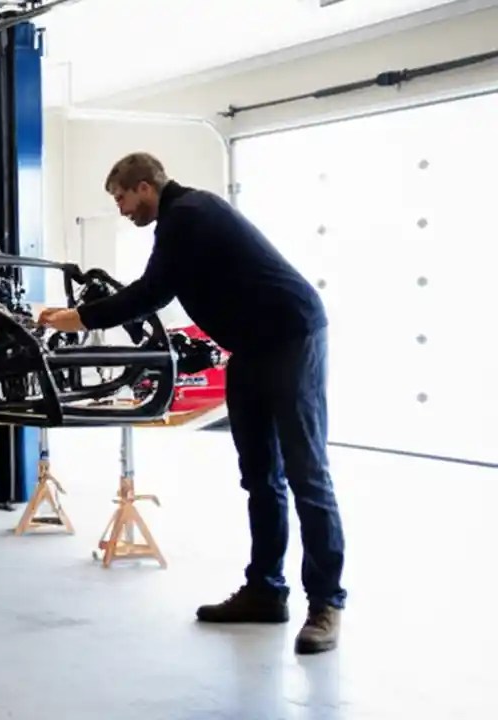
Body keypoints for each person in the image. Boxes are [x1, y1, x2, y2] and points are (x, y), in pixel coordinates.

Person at [37, 152, 346, 655]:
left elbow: (151, 293)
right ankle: (266, 592)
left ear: (144, 186)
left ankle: (326, 604)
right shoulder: (185, 216)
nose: (120, 210)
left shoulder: (188, 215)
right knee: (260, 475)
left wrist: (77, 317)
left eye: (120, 198)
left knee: (307, 472)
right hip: (248, 345)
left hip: (291, 336)